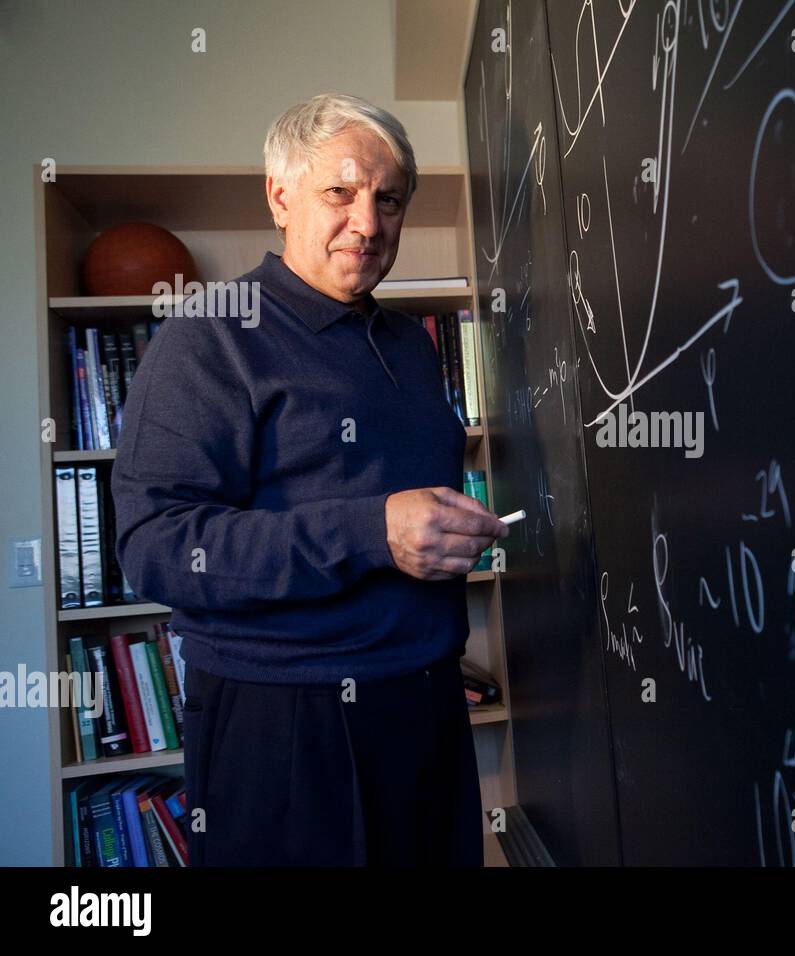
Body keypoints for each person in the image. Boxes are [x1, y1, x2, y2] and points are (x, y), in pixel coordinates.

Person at [112, 92, 507, 866]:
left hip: (429, 705)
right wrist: (370, 531)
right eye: (341, 192)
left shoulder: (411, 344)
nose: (368, 222)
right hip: (287, 726)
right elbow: (156, 547)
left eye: (388, 199)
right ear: (280, 195)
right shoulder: (209, 336)